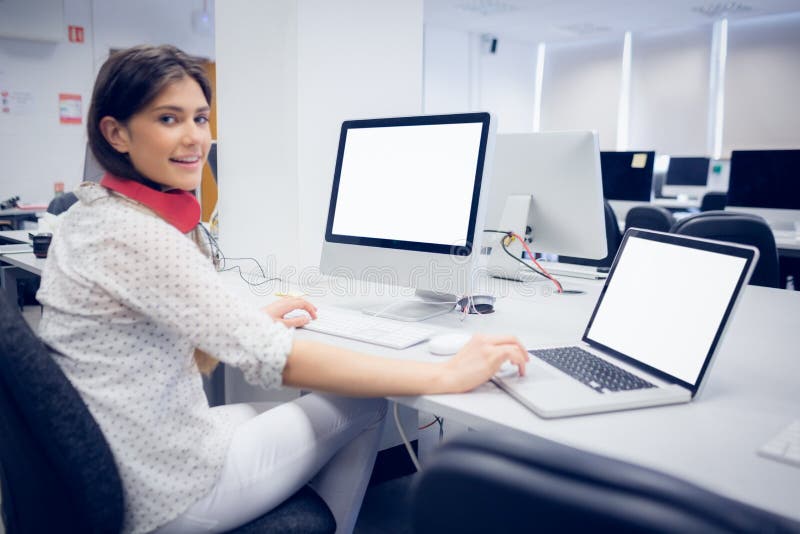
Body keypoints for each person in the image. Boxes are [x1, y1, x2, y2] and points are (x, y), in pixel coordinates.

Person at [36, 44, 528, 534]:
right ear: (116, 132)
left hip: (125, 457)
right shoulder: (137, 234)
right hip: (165, 491)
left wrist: (250, 322)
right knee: (362, 403)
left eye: (201, 118)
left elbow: (155, 337)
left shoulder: (90, 215)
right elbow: (280, 360)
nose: (194, 138)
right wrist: (446, 373)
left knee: (300, 411)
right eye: (169, 119)